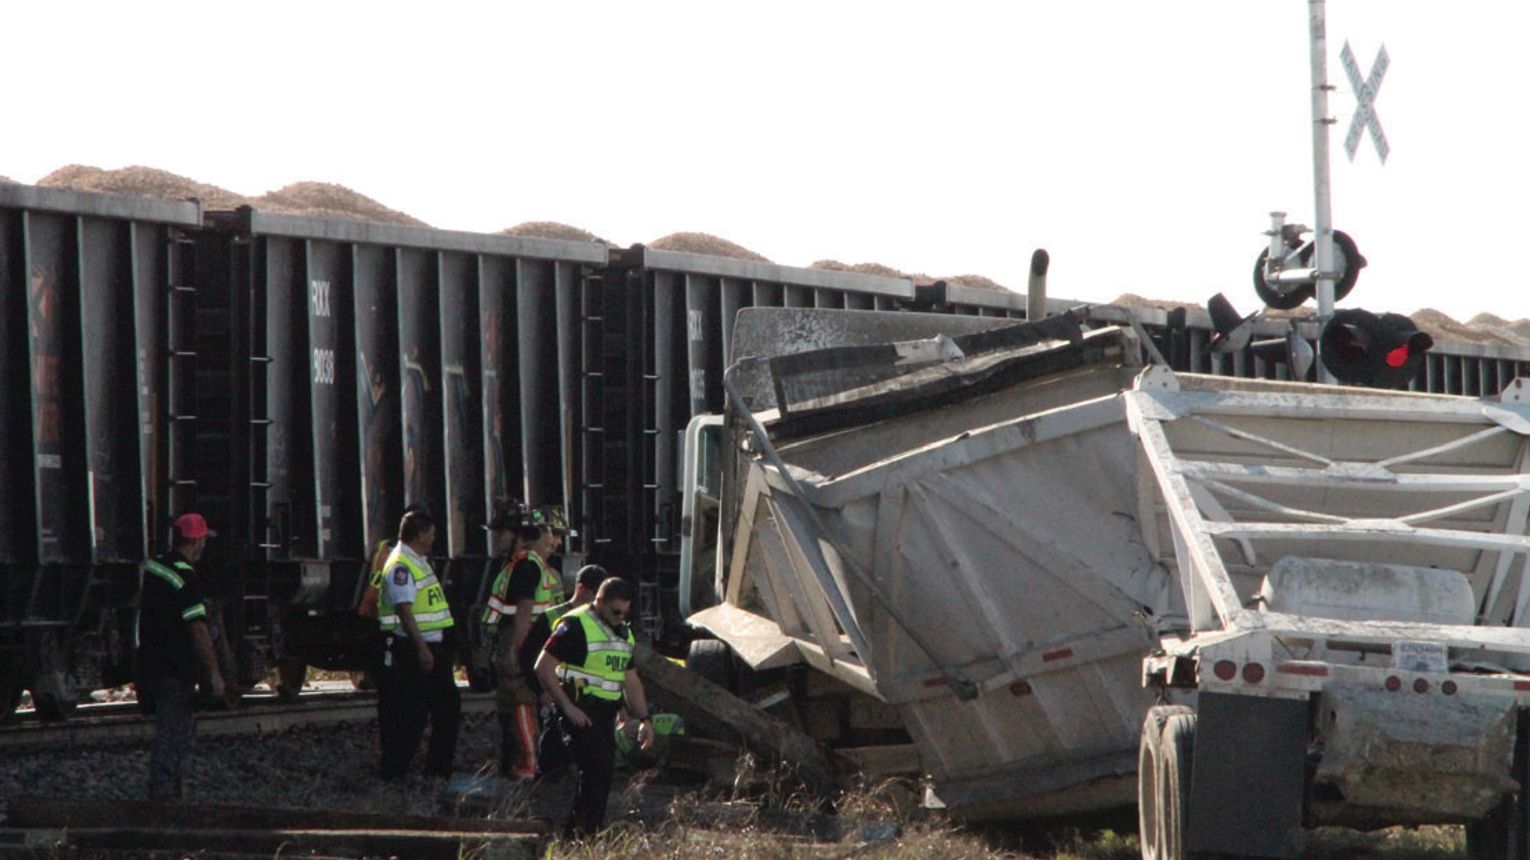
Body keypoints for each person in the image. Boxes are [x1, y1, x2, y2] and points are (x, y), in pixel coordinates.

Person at [535, 577, 655, 838]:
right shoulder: (576, 625)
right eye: (615, 611)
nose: (620, 618)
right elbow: (542, 666)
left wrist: (645, 719)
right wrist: (567, 708)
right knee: (596, 770)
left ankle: (581, 836)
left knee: (601, 774)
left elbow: (630, 679)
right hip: (578, 709)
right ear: (599, 602)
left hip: (604, 715)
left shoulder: (623, 632)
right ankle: (581, 836)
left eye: (625, 613)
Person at [137, 512, 226, 800]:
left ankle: (167, 792)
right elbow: (198, 628)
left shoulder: (154, 568)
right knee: (175, 732)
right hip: (176, 668)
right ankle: (165, 794)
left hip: (150, 663)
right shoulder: (185, 577)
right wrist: (213, 672)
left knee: (168, 728)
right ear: (197, 541)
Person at [375, 509, 461, 779]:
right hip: (413, 648)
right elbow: (404, 608)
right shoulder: (401, 564)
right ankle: (400, 771)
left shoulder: (417, 560)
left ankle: (435, 771)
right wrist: (422, 648)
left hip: (428, 646)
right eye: (432, 533)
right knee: (411, 713)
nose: (434, 538)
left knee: (445, 708)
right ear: (421, 534)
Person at [487, 504, 569, 779]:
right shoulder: (539, 568)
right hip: (536, 643)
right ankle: (530, 765)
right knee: (530, 706)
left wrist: (513, 651)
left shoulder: (527, 566)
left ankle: (527, 767)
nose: (556, 543)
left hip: (523, 642)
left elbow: (523, 612)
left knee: (521, 704)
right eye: (554, 535)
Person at [525, 564, 610, 776]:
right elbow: (528, 657)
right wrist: (542, 692)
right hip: (555, 694)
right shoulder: (551, 618)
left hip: (588, 697)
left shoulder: (602, 621)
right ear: (582, 590)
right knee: (553, 746)